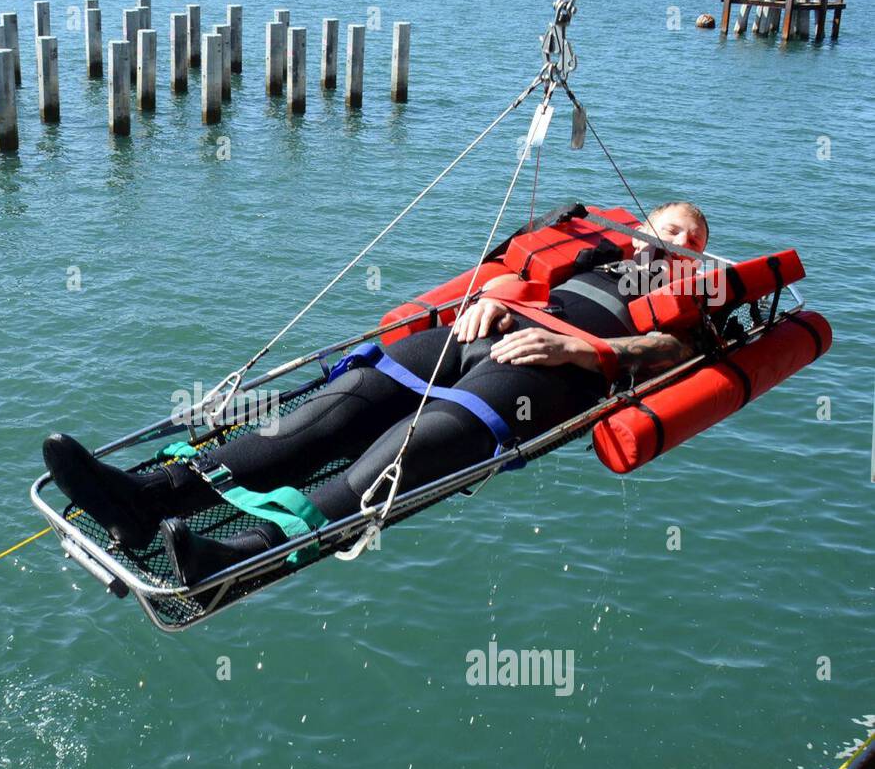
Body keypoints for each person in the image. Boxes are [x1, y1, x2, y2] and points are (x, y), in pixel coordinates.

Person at [43, 202, 711, 585]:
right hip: (489, 329)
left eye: (692, 241)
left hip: (556, 369)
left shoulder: (691, 300)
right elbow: (518, 276)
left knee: (412, 445)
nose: (676, 242)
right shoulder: (594, 253)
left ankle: (237, 556)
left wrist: (581, 349)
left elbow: (673, 354)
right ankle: (142, 500)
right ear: (642, 222)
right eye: (670, 226)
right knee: (339, 406)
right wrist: (492, 300)